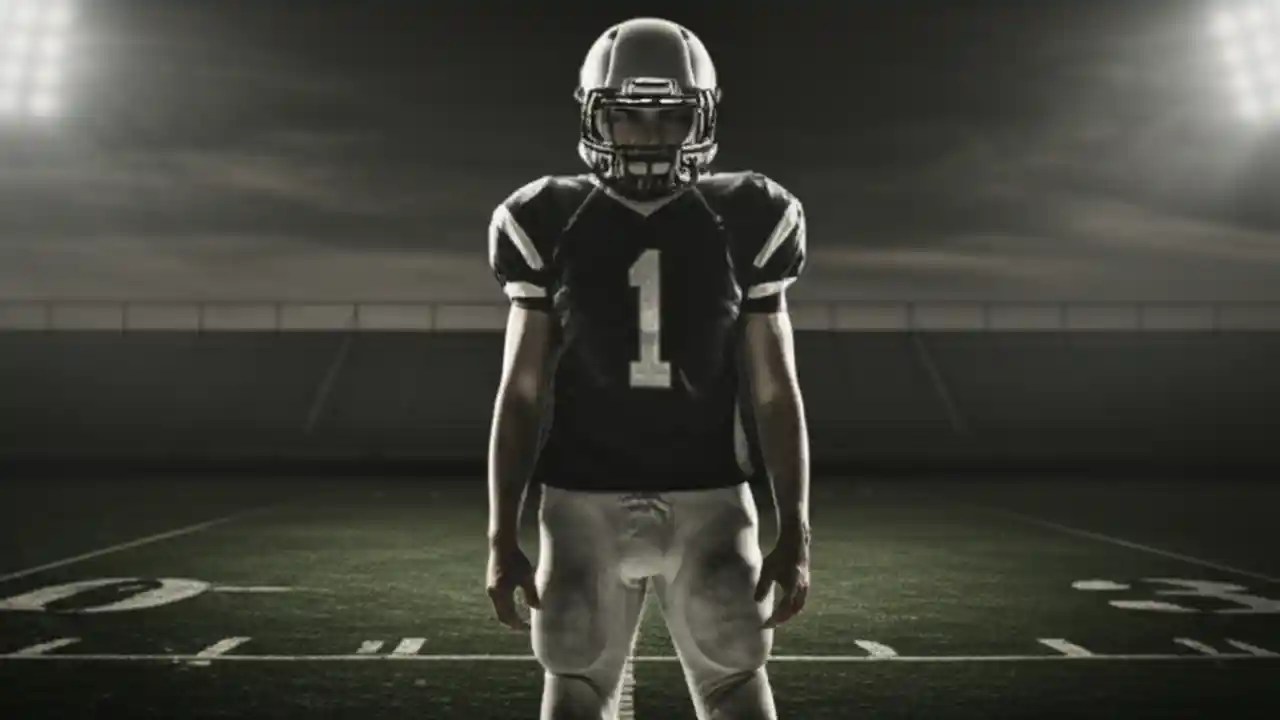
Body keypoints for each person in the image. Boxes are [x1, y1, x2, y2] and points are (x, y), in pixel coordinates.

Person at [484, 16, 811, 720]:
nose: (650, 132)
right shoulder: (546, 217)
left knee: (733, 668)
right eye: (630, 113)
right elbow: (521, 392)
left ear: (701, 118)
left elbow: (775, 391)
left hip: (711, 500)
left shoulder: (748, 213)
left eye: (669, 114)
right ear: (595, 115)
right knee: (573, 673)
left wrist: (798, 528)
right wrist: (499, 534)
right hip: (581, 500)